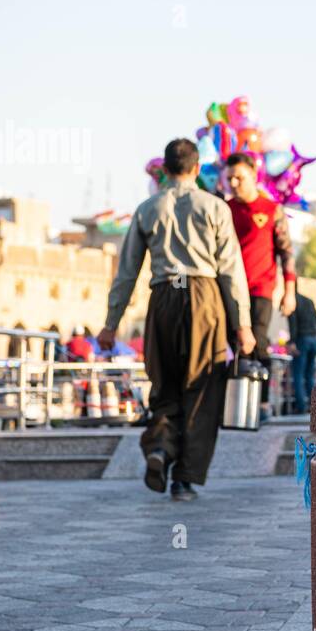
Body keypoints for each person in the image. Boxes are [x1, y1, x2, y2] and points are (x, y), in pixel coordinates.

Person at [99, 138, 254, 503]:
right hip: (204, 298)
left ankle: (161, 449)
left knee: (164, 383)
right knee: (201, 389)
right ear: (198, 169)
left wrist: (111, 323)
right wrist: (242, 325)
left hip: (163, 297)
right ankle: (183, 478)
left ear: (165, 171)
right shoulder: (215, 207)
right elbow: (232, 270)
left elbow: (126, 273)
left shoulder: (147, 209)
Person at [223, 153, 297, 368]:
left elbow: (287, 253)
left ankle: (262, 401)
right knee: (233, 343)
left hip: (259, 289)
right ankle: (235, 397)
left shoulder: (272, 210)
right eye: (229, 179)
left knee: (257, 341)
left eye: (239, 178)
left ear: (253, 175)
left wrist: (289, 292)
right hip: (229, 289)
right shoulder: (224, 210)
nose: (234, 184)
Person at [286, 291, 316, 414]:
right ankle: (315, 405)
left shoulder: (291, 300)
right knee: (309, 375)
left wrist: (292, 341)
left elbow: (292, 322)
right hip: (314, 340)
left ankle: (301, 407)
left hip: (302, 339)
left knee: (298, 375)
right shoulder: (308, 300)